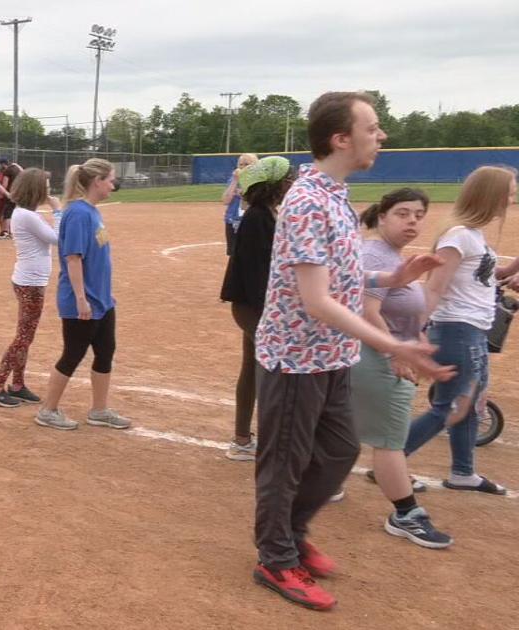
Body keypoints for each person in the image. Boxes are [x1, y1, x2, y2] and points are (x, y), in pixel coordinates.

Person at [250, 92, 452, 612]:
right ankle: (275, 557)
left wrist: (390, 275)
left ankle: (291, 535)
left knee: (340, 451)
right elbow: (316, 300)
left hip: (332, 354)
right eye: (373, 127)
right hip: (296, 357)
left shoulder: (336, 194)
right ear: (341, 138)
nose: (380, 135)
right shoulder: (307, 200)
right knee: (285, 464)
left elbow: (336, 274)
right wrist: (389, 341)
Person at [346, 188, 453, 548]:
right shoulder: (376, 254)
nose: (412, 221)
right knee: (391, 440)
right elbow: (367, 311)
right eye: (403, 214)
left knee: (345, 426)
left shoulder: (392, 254)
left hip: (385, 356)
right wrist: (396, 353)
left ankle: (318, 483)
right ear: (382, 218)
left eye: (419, 215)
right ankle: (406, 514)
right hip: (379, 358)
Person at [403, 165, 515, 496]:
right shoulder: (458, 236)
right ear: (490, 195)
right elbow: (434, 287)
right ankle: (392, 462)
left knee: (472, 403)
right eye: (509, 191)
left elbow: (479, 279)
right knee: (451, 407)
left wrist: (509, 275)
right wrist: (416, 330)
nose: (512, 197)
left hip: (474, 332)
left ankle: (463, 472)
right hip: (457, 331)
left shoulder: (474, 235)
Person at [32, 158, 130, 432]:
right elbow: (73, 258)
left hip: (101, 299)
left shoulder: (92, 211)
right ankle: (48, 410)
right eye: (110, 179)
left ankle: (99, 410)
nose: (113, 184)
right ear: (97, 181)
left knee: (105, 351)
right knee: (73, 354)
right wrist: (81, 299)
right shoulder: (78, 213)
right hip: (81, 300)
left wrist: (104, 295)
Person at [218, 156, 295, 461]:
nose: (292, 183)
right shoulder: (258, 218)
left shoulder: (266, 214)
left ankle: (241, 440)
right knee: (273, 372)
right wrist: (273, 316)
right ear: (275, 184)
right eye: (288, 178)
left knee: (252, 369)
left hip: (256, 306)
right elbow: (254, 272)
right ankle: (272, 443)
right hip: (254, 307)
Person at [0, 168, 61, 407]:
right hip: (31, 283)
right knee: (23, 338)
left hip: (29, 280)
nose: (49, 190)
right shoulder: (27, 216)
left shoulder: (25, 213)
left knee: (26, 337)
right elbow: (58, 239)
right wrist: (58, 210)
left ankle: (17, 385)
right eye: (45, 186)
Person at [221, 153, 259, 256]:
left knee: (250, 253)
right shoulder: (233, 179)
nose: (242, 167)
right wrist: (235, 180)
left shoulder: (259, 182)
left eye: (246, 164)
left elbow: (255, 201)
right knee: (233, 255)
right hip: (232, 221)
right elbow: (225, 200)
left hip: (249, 221)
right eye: (240, 164)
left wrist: (242, 193)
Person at [0, 157, 22, 238]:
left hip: (10, 194)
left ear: (3, 164)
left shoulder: (7, 171)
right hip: (18, 192)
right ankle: (11, 232)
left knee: (7, 213)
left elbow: (5, 184)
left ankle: (6, 232)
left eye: (0, 164)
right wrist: (17, 165)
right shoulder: (16, 169)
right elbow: (24, 172)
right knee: (13, 212)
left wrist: (1, 193)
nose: (0, 166)